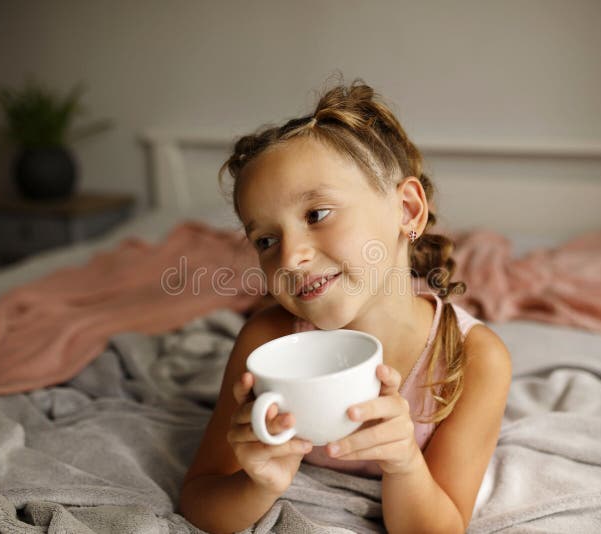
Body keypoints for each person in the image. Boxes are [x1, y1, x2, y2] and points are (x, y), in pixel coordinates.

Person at [179, 80, 511, 533]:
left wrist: (405, 465)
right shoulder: (267, 341)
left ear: (408, 211)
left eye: (317, 215)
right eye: (266, 240)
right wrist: (258, 484)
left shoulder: (474, 360)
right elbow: (200, 503)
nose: (291, 257)